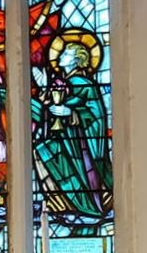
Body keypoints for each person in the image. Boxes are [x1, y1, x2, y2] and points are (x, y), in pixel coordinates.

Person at [32, 32, 111, 223]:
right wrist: (45, 91)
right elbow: (51, 107)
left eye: (66, 53)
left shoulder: (84, 84)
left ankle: (83, 204)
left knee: (42, 152)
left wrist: (70, 113)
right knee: (40, 151)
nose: (60, 55)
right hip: (67, 142)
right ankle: (61, 203)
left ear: (76, 60)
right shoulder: (67, 83)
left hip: (81, 148)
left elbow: (95, 115)